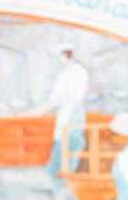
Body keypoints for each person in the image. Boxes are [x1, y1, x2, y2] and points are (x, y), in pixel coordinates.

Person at [27, 43, 89, 178]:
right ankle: (62, 182)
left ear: (63, 56)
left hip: (69, 117)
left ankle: (57, 184)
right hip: (77, 116)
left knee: (62, 154)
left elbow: (54, 101)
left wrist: (31, 114)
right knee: (71, 152)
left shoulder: (67, 74)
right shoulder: (81, 70)